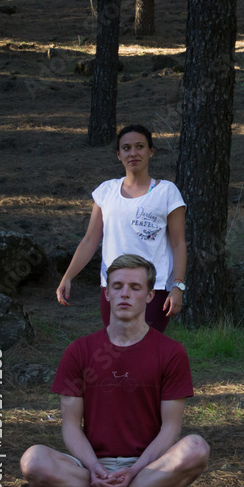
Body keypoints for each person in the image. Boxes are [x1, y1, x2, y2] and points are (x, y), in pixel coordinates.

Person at [20, 254, 209, 487]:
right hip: (90, 470)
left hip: (150, 467)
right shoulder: (79, 351)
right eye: (117, 287)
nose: (125, 294)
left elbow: (171, 428)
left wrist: (135, 471)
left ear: (149, 296)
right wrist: (95, 467)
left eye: (135, 288)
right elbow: (71, 426)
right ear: (106, 294)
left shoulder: (171, 352)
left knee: (196, 448)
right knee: (33, 460)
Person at [56, 124, 187, 332]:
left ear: (151, 151)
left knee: (145, 351)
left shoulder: (167, 192)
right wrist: (68, 277)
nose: (133, 153)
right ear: (119, 155)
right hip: (114, 287)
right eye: (126, 148)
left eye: (139, 146)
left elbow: (179, 243)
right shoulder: (106, 191)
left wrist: (178, 287)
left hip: (153, 289)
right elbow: (90, 240)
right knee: (115, 348)